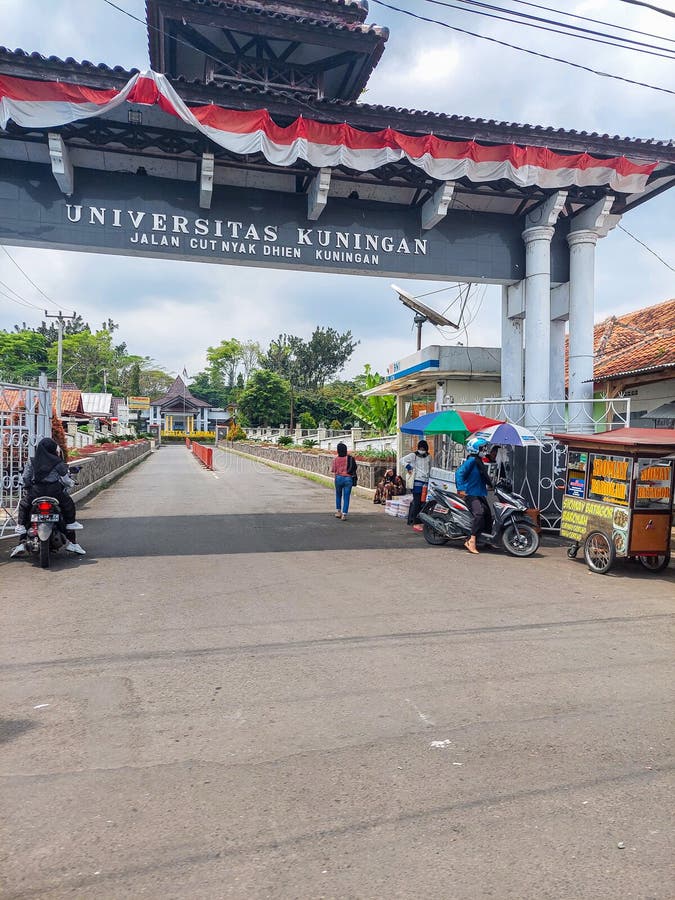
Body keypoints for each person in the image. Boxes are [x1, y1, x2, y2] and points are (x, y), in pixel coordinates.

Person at [12, 437, 85, 557]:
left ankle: (21, 539)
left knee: (24, 506)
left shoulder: (32, 461)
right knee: (68, 505)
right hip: (55, 492)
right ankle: (72, 541)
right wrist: (71, 483)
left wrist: (26, 485)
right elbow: (66, 480)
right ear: (53, 449)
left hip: (36, 492)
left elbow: (26, 478)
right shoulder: (58, 462)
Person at [455, 436, 494, 554]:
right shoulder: (472, 460)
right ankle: (471, 540)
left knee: (488, 515)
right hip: (471, 493)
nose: (485, 450)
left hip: (479, 493)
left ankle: (487, 541)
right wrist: (461, 489)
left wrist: (492, 485)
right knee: (479, 513)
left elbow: (483, 476)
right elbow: (459, 473)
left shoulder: (479, 461)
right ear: (475, 449)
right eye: (482, 448)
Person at [400, 439, 433, 532]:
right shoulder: (413, 455)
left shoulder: (429, 457)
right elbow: (402, 460)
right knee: (417, 502)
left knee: (423, 503)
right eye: (421, 448)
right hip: (416, 481)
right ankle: (415, 522)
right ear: (418, 448)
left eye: (423, 449)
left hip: (425, 482)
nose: (422, 450)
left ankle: (419, 521)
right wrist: (409, 467)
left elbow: (430, 467)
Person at [331, 441, 355, 521]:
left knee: (338, 495)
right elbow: (354, 467)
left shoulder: (335, 459)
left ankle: (338, 512)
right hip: (348, 478)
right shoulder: (349, 458)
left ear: (338, 450)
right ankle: (344, 514)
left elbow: (333, 470)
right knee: (346, 497)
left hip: (338, 478)